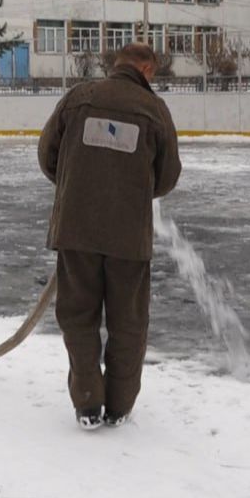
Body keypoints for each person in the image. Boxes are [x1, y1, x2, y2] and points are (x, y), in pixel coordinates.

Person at [37, 43, 182, 430]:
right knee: (128, 322)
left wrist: (77, 186)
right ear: (147, 69)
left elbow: (48, 156)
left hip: (76, 229)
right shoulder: (154, 109)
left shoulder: (79, 98)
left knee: (78, 316)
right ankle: (118, 406)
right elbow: (167, 176)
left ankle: (88, 403)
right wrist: (131, 191)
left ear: (117, 64)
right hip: (128, 238)